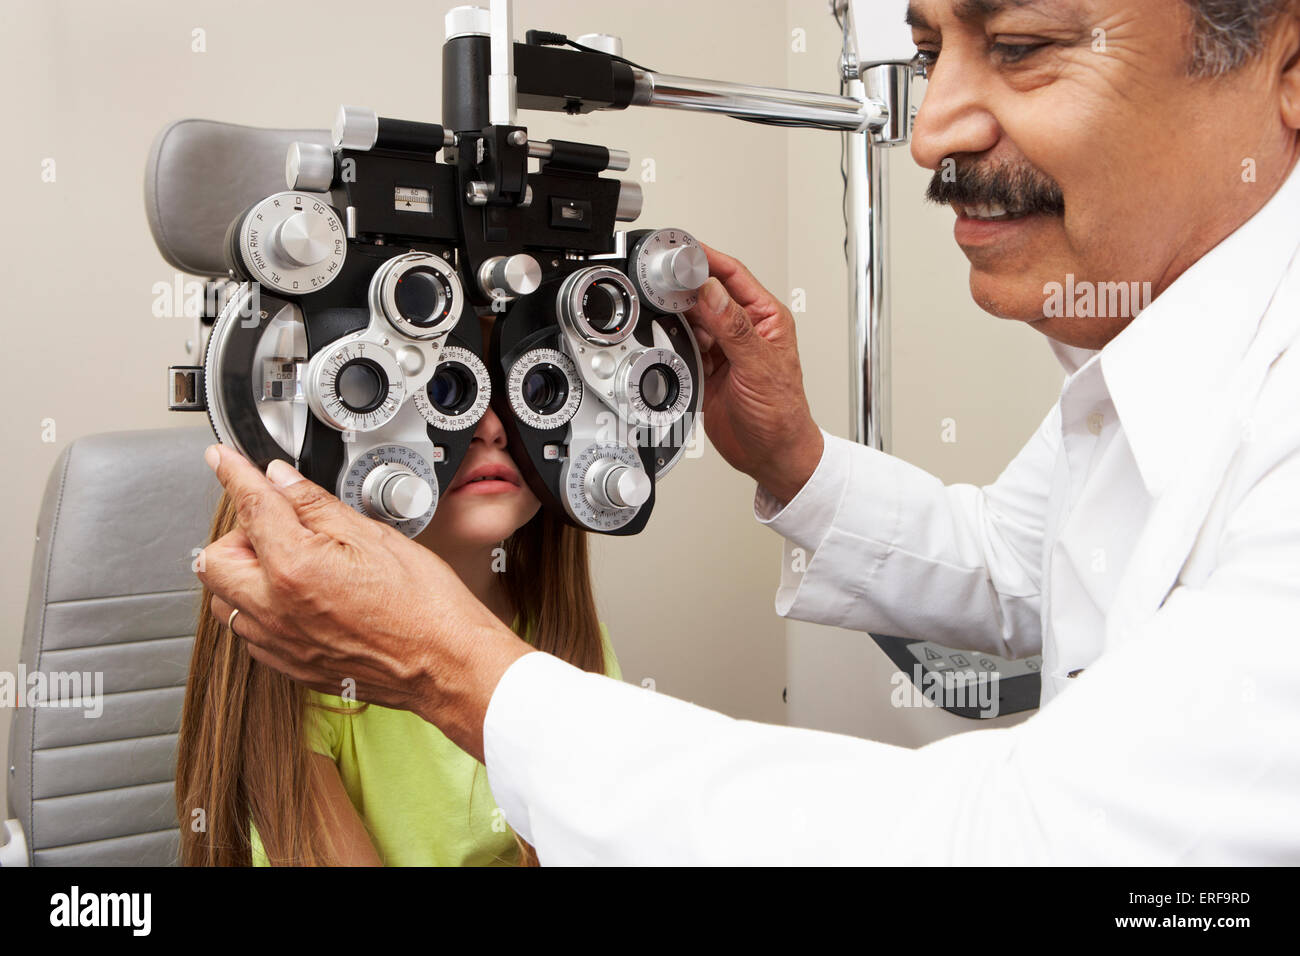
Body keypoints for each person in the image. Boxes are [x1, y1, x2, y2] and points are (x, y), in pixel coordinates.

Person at [197, 0, 1300, 863]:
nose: (926, 135)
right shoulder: (1152, 359)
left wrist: (452, 667)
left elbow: (1026, 844)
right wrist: (793, 457)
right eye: (925, 54)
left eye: (1020, 44)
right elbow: (1022, 561)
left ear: (1286, 62)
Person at [177, 320, 621, 866]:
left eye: (529, 392)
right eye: (443, 389)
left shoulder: (571, 640)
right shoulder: (306, 654)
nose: (489, 427)